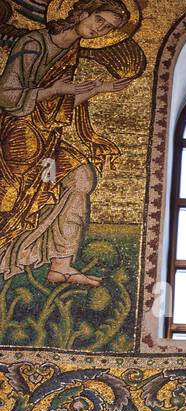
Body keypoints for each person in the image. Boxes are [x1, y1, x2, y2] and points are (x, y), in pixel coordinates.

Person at [0, 0, 132, 286]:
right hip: (19, 135)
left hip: (44, 134)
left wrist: (99, 88)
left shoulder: (72, 52)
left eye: (108, 28)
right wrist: (55, 89)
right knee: (14, 199)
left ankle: (60, 265)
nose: (100, 29)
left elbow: (58, 107)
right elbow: (7, 95)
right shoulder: (34, 43)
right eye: (99, 19)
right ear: (82, 12)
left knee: (81, 178)